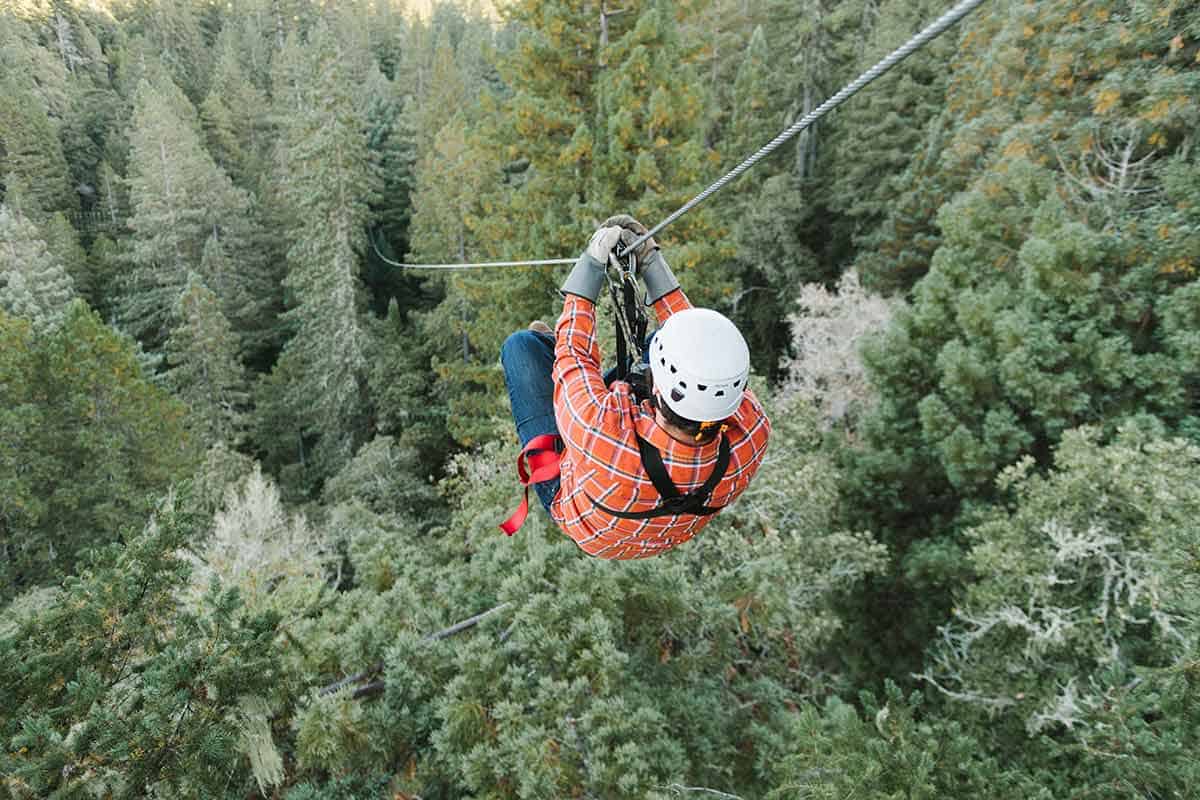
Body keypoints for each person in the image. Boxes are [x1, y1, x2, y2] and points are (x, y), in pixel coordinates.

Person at [499, 215, 771, 559]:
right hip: (654, 510)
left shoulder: (603, 430)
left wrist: (591, 266)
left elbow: (574, 357)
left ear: (655, 390)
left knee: (522, 349)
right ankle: (565, 368)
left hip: (588, 507)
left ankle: (544, 352)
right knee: (661, 340)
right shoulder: (752, 431)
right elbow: (697, 342)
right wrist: (650, 261)